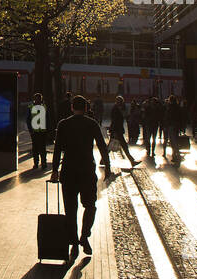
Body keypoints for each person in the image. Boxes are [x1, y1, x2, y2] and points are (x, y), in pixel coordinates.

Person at [50, 94, 113, 259]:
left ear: (72, 107)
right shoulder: (92, 124)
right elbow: (101, 146)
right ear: (86, 108)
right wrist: (108, 166)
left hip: (68, 172)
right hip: (86, 171)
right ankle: (84, 236)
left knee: (70, 210)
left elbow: (57, 149)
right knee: (90, 206)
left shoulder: (63, 124)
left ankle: (73, 245)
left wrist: (55, 170)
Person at [109, 95, 139, 166]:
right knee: (123, 146)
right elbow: (115, 120)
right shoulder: (116, 109)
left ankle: (103, 160)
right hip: (116, 130)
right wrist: (115, 131)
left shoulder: (117, 108)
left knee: (111, 146)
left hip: (116, 130)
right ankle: (132, 161)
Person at [28, 92, 49, 169]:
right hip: (39, 131)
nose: (38, 100)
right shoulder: (44, 107)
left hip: (37, 131)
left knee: (37, 148)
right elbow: (47, 119)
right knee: (40, 148)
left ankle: (38, 163)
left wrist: (30, 129)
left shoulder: (31, 107)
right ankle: (42, 163)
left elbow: (28, 119)